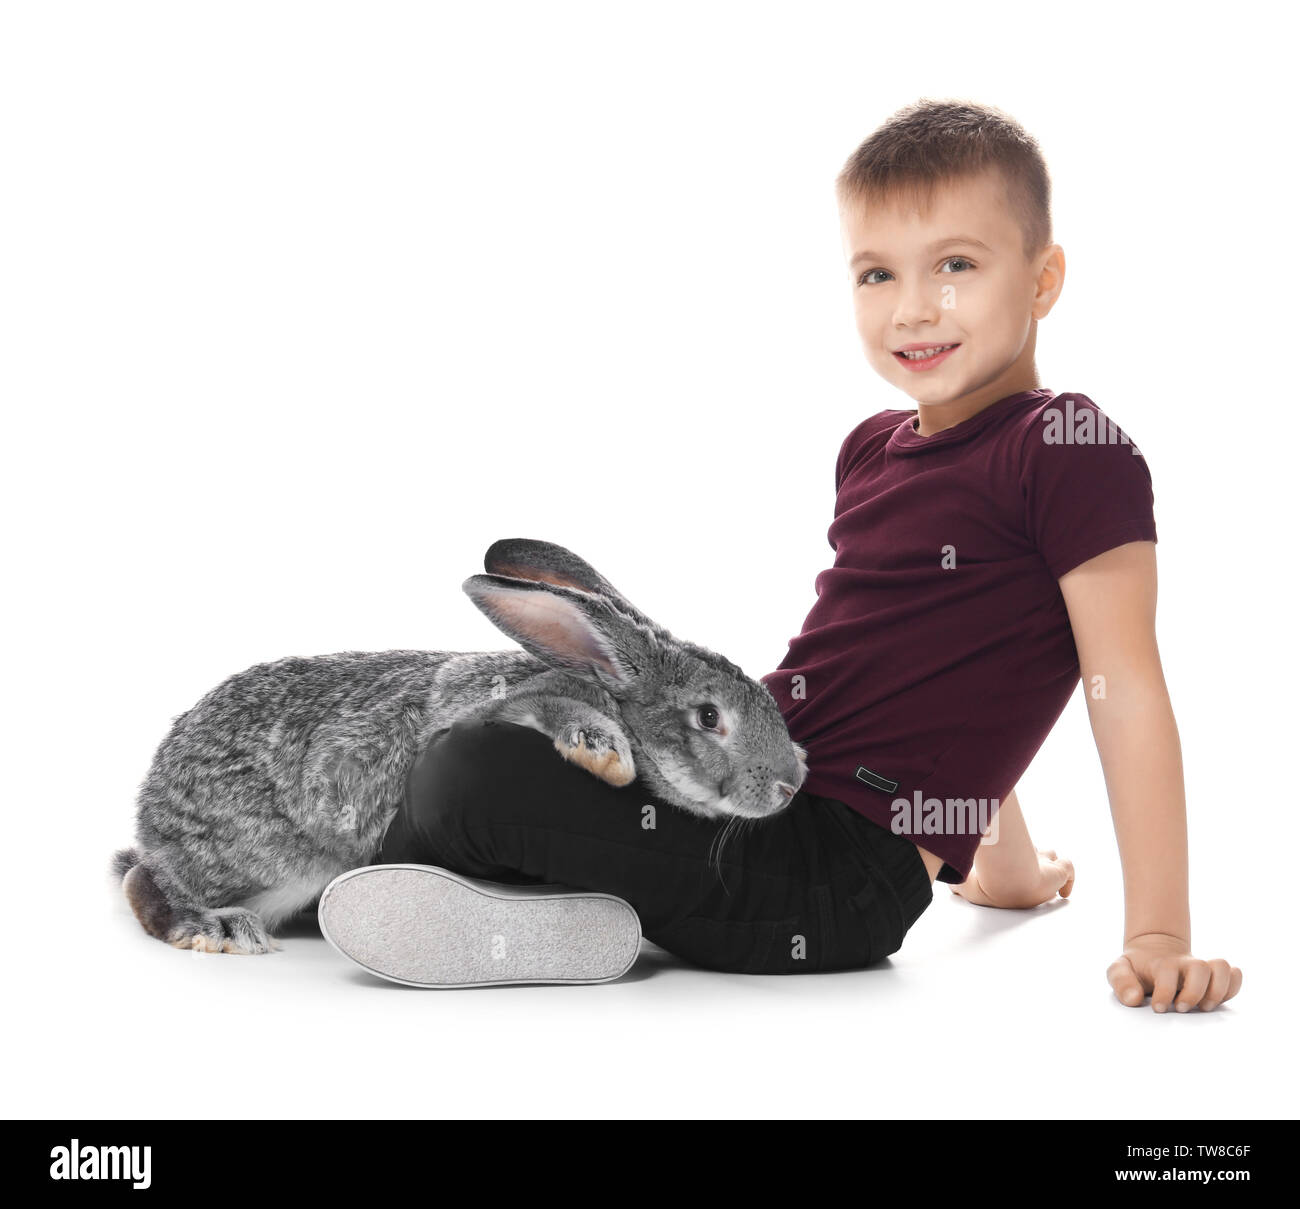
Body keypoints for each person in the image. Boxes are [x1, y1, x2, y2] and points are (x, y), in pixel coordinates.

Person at [319, 97, 1241, 1011]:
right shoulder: (873, 448)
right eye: (877, 274)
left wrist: (1159, 934)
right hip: (756, 790)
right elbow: (956, 676)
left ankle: (497, 905)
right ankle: (535, 905)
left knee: (464, 772)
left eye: (956, 265)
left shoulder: (1070, 447)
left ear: (1043, 280)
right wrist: (1006, 869)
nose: (914, 308)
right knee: (520, 721)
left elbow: (1121, 684)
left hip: (825, 874)